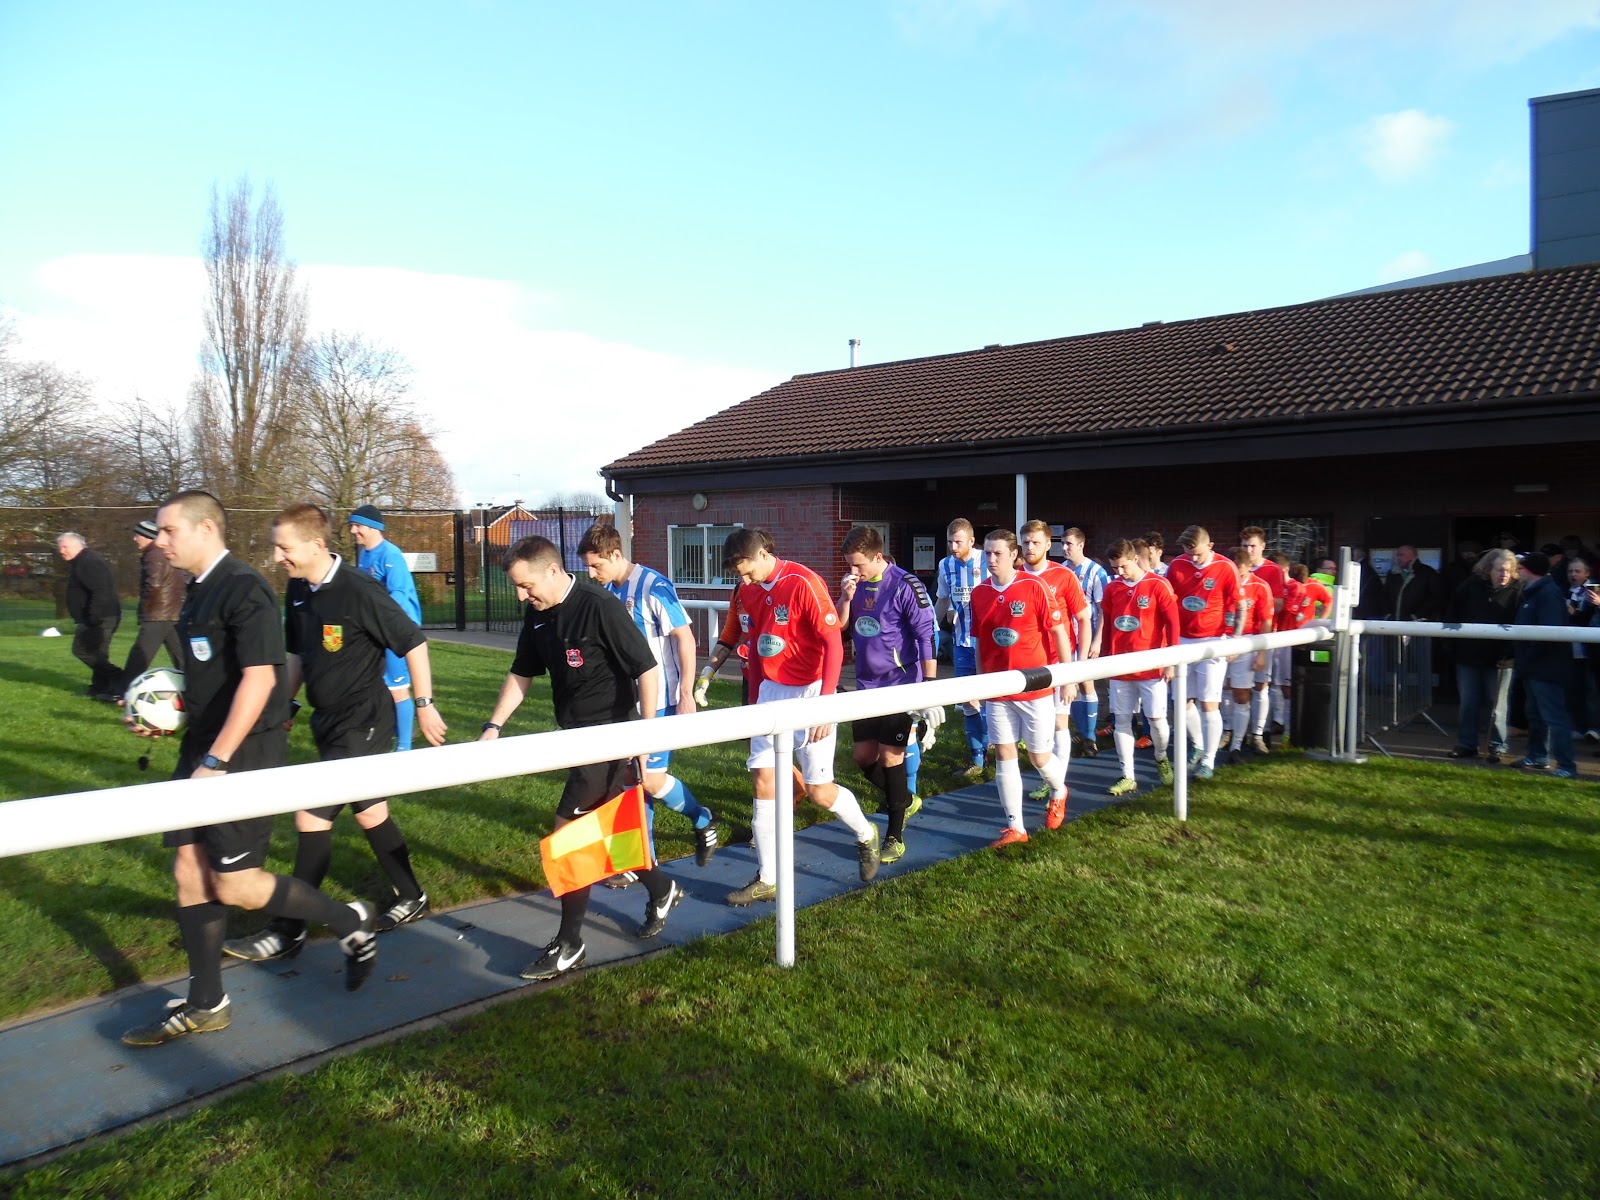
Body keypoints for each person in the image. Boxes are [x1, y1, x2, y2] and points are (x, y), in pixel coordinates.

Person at [120, 491, 378, 1048]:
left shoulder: (245, 588)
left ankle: (347, 921)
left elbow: (261, 679)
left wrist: (218, 760)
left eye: (168, 532)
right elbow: (215, 681)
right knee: (189, 868)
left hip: (241, 756)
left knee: (234, 886)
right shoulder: (195, 593)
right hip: (202, 751)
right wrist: (167, 713)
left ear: (205, 528)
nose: (159, 542)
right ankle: (206, 1002)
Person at [223, 504, 447, 965]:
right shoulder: (298, 591)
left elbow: (413, 642)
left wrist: (424, 706)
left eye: (284, 546)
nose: (277, 556)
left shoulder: (359, 589)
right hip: (327, 721)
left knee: (311, 816)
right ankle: (412, 894)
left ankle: (288, 928)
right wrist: (287, 704)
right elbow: (299, 657)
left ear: (316, 544)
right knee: (370, 813)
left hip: (364, 720)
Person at [480, 535, 685, 979]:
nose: (522, 596)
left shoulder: (598, 605)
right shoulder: (536, 616)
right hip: (575, 739)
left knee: (569, 838)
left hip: (609, 741)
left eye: (526, 586)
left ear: (552, 572)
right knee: (611, 838)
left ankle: (570, 944)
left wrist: (644, 735)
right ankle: (662, 887)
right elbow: (521, 673)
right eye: (517, 587)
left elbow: (646, 669)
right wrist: (493, 726)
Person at [720, 527, 880, 904]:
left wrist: (825, 703)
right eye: (738, 576)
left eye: (747, 571)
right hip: (771, 694)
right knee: (763, 780)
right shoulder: (748, 590)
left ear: (762, 554)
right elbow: (758, 647)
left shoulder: (804, 582)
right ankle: (768, 877)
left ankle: (865, 833)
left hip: (812, 692)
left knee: (819, 792)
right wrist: (756, 698)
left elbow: (833, 645)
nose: (744, 581)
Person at [578, 523, 718, 867]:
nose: (592, 573)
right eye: (588, 567)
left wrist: (686, 691)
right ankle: (645, 864)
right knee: (632, 780)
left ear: (616, 554)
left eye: (597, 565)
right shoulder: (607, 592)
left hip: (662, 700)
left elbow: (685, 638)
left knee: (651, 779)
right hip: (627, 704)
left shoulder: (654, 586)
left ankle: (703, 820)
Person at [836, 524, 938, 864]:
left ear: (878, 557)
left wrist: (930, 688)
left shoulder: (905, 585)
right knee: (863, 758)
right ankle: (905, 799)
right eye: (849, 565)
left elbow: (926, 635)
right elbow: (842, 628)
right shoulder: (855, 586)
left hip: (899, 685)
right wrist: (845, 598)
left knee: (891, 758)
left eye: (859, 565)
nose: (854, 571)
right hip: (865, 685)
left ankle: (894, 836)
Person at [969, 529, 1073, 846]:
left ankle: (1060, 789)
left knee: (1040, 757)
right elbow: (979, 642)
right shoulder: (980, 592)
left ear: (1013, 555)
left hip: (1034, 686)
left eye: (997, 553)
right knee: (1004, 753)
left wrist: (1066, 677)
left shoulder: (1034, 586)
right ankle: (1016, 827)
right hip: (998, 688)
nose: (991, 559)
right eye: (987, 553)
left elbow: (1058, 633)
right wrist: (978, 684)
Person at [1019, 519, 1092, 800]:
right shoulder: (1016, 577)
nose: (1030, 547)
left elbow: (1083, 618)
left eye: (1036, 542)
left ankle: (1056, 785)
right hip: (1030, 664)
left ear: (1049, 545)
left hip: (1060, 662)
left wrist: (1077, 666)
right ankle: (1049, 778)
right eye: (1025, 542)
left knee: (1059, 723)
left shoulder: (1064, 576)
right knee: (1038, 729)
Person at [1101, 538, 1178, 794]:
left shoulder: (1158, 584)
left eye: (1123, 566)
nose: (1119, 573)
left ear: (1134, 558)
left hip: (1152, 666)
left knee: (1157, 719)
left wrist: (1170, 660)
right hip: (1121, 667)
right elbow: (1108, 622)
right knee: (1122, 720)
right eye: (1114, 568)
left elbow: (1173, 623)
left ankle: (1161, 755)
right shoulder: (1113, 589)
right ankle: (1127, 775)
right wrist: (1104, 657)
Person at [1165, 526, 1241, 780]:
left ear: (1210, 546)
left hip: (1213, 642)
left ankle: (1209, 759)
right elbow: (1167, 602)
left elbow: (1239, 606)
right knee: (1183, 701)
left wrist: (1235, 641)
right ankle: (1197, 745)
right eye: (1188, 553)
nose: (1193, 559)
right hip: (1183, 641)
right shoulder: (1177, 565)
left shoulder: (1226, 567)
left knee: (1209, 704)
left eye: (1197, 554)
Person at [348, 506, 424, 751]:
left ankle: (404, 747)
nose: (353, 530)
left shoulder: (391, 555)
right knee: (377, 684)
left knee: (397, 688)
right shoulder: (364, 554)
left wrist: (375, 617)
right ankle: (392, 730)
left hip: (397, 630)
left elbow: (399, 595)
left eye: (357, 525)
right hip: (376, 629)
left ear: (372, 527)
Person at [1445, 547, 1520, 763]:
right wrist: (1451, 646)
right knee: (1468, 703)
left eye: (1508, 570)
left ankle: (1498, 745)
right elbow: (1453, 615)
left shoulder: (1519, 590)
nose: (1504, 575)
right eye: (1499, 570)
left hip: (1501, 659)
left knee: (1497, 706)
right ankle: (1467, 744)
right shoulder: (1468, 587)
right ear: (1489, 569)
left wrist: (1511, 651)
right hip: (1468, 656)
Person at [1514, 551, 1578, 778]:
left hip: (1546, 667)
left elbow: (1548, 633)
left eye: (1520, 568)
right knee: (1535, 714)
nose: (1517, 571)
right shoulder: (1535, 593)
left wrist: (1527, 658)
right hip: (1535, 666)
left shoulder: (1547, 594)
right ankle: (1538, 755)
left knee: (1554, 717)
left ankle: (1566, 765)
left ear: (1529, 570)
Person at [935, 517, 990, 778]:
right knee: (968, 700)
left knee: (993, 698)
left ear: (971, 540)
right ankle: (977, 759)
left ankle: (996, 749)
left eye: (958, 541)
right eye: (950, 541)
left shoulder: (987, 559)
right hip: (962, 642)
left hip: (989, 644)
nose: (953, 546)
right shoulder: (945, 565)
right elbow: (943, 600)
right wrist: (932, 630)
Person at [119, 518, 189, 692]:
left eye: (137, 535)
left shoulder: (154, 554)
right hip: (172, 613)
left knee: (140, 656)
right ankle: (195, 691)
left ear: (147, 537)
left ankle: (124, 692)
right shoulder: (164, 552)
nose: (135, 539)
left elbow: (154, 584)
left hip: (158, 614)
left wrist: (145, 608)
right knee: (182, 657)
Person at [1225, 546, 1275, 763]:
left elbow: (1266, 621)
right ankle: (1226, 733)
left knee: (1242, 694)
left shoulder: (1260, 586)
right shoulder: (1220, 582)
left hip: (1246, 644)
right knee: (1221, 692)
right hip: (1219, 641)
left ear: (1248, 567)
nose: (1236, 576)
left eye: (1241, 571)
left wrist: (1261, 653)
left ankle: (1237, 744)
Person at [57, 532, 121, 700]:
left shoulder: (89, 562)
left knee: (82, 650)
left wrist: (93, 617)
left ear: (78, 545)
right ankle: (101, 688)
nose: (61, 551)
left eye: (65, 547)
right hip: (98, 616)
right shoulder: (80, 562)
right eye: (60, 547)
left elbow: (101, 591)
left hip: (100, 617)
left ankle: (119, 677)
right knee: (99, 654)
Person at [1062, 527, 1109, 755]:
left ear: (1081, 545)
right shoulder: (1061, 570)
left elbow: (1103, 611)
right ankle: (1080, 732)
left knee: (1086, 683)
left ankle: (1090, 738)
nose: (1065, 548)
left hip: (1086, 637)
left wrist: (1097, 640)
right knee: (1068, 685)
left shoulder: (1096, 572)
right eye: (1063, 543)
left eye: (1069, 544)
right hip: (1065, 639)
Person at [1386, 545, 1441, 622]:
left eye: (1401, 555)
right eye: (1397, 555)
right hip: (1394, 623)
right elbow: (1385, 595)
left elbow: (1435, 598)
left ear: (1412, 556)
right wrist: (1388, 614)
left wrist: (1417, 616)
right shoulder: (1393, 573)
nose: (1398, 558)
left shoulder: (1427, 573)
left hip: (1418, 624)